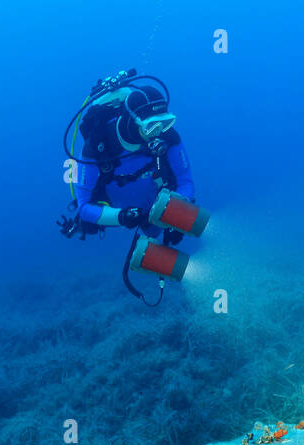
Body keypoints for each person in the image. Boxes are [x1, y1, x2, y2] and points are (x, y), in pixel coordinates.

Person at [59, 70, 204, 303]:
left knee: (188, 223)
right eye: (150, 127)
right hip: (114, 206)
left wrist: (179, 205)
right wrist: (123, 217)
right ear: (133, 121)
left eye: (165, 124)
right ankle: (187, 272)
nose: (157, 133)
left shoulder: (169, 137)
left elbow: (186, 182)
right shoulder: (97, 146)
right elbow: (85, 207)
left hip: (155, 198)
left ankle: (189, 267)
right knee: (89, 223)